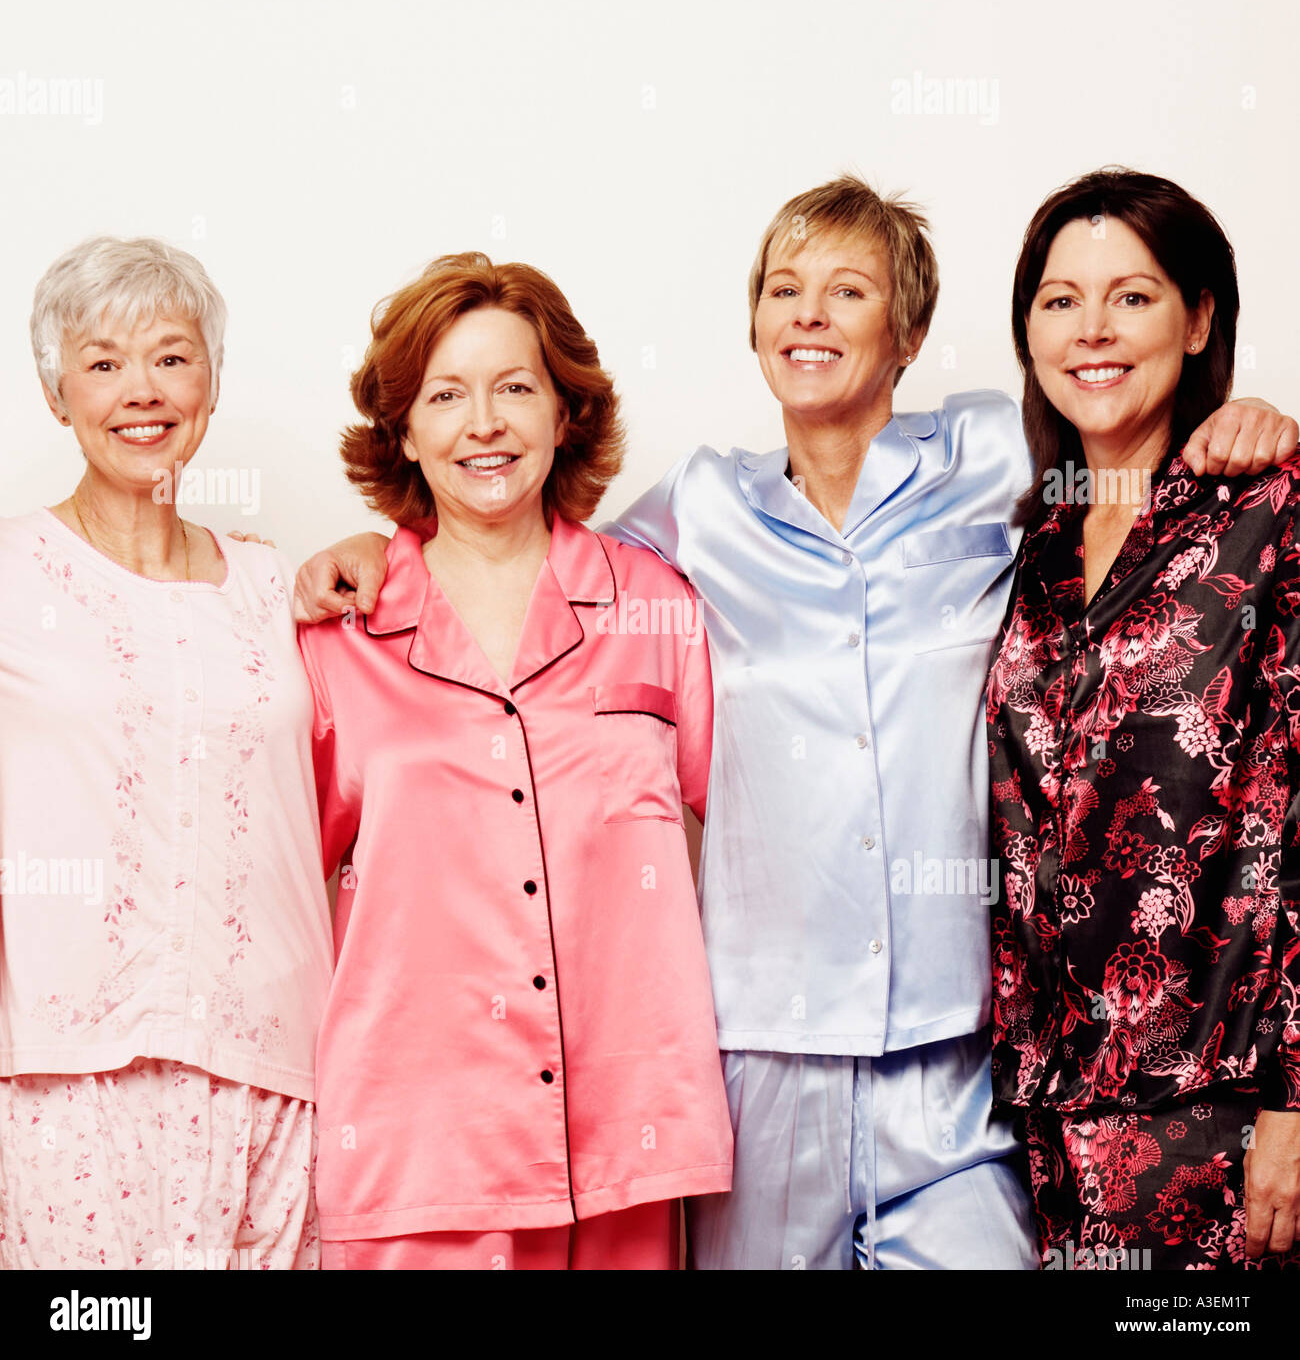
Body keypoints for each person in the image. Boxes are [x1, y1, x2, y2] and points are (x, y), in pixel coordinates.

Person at [295, 178, 1296, 1269]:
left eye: (847, 288)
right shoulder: (695, 512)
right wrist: (378, 548)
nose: (809, 313)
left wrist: (1239, 418)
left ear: (908, 329)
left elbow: (1124, 434)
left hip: (960, 1057)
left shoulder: (1001, 458)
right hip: (760, 1056)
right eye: (785, 288)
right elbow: (511, 534)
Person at [297, 252, 731, 1270]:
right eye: (445, 395)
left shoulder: (659, 610)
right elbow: (266, 898)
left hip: (629, 1148)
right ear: (402, 430)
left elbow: (765, 847)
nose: (482, 423)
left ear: (564, 412)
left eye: (515, 388)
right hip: (416, 1161)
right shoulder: (335, 640)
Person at [987, 169, 1300, 1270]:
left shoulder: (1271, 512)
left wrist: (1293, 1106)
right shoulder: (1036, 554)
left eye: (1130, 295)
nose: (1092, 330)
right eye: (1059, 301)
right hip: (1053, 1121)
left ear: (1199, 315)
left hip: (1220, 1113)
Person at [0, 237, 332, 1270]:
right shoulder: (12, 573)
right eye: (102, 363)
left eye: (172, 356)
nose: (142, 390)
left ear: (214, 380)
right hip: (69, 1074)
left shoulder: (279, 587)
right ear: (57, 395)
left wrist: (379, 550)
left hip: (276, 1068)